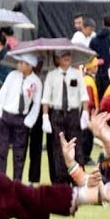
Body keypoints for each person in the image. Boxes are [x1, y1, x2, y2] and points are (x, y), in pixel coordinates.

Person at [0, 52, 41, 183]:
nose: (19, 65)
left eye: (22, 63)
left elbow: (36, 104)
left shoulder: (36, 82)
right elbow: (3, 93)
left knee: (19, 154)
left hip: (21, 119)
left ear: (30, 66)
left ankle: (16, 182)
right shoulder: (12, 76)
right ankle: (0, 180)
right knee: (2, 151)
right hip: (6, 116)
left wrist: (28, 121)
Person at [41, 50, 89, 182]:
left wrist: (85, 113)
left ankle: (78, 179)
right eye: (63, 55)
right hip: (56, 114)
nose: (67, 57)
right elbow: (46, 98)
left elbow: (84, 95)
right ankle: (59, 180)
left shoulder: (77, 74)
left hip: (73, 113)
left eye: (68, 55)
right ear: (57, 58)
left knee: (76, 145)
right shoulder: (51, 76)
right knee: (57, 147)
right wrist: (45, 117)